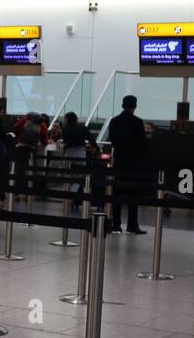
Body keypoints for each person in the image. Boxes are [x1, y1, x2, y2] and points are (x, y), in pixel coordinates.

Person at [105, 94, 146, 234]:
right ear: (135, 106)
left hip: (119, 161)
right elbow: (142, 143)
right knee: (133, 195)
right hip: (133, 162)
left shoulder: (114, 121)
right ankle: (132, 225)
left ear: (122, 105)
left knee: (117, 194)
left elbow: (112, 140)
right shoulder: (138, 122)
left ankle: (116, 224)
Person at [59, 111, 95, 207]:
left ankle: (66, 199)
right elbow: (91, 138)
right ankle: (71, 198)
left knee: (68, 176)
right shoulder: (82, 127)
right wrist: (96, 148)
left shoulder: (65, 129)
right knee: (78, 177)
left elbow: (66, 142)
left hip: (69, 153)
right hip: (80, 153)